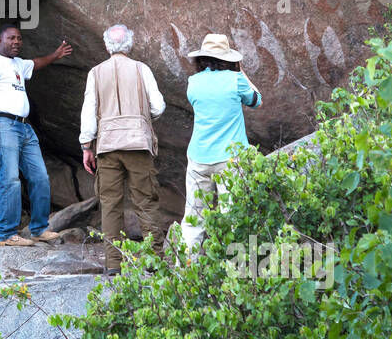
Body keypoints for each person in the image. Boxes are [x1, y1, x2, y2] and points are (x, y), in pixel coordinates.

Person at [0, 24, 73, 246]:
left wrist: (56, 55)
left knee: (40, 178)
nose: (16, 42)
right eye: (11, 38)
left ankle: (38, 229)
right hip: (3, 124)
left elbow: (36, 64)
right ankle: (5, 234)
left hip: (25, 127)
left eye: (19, 38)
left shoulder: (18, 64)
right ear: (0, 40)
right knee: (10, 179)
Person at [78, 24, 167, 273]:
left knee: (111, 204)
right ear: (129, 44)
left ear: (107, 46)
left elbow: (88, 114)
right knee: (146, 202)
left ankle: (114, 264)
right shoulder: (142, 69)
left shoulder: (95, 73)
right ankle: (155, 262)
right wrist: (140, 120)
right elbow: (158, 106)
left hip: (107, 146)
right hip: (138, 143)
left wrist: (87, 146)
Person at [182, 32, 262, 251]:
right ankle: (233, 270)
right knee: (233, 216)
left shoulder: (193, 83)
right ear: (229, 59)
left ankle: (188, 268)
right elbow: (256, 100)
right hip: (231, 158)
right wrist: (241, 71)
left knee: (194, 217)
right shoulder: (236, 80)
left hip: (199, 156)